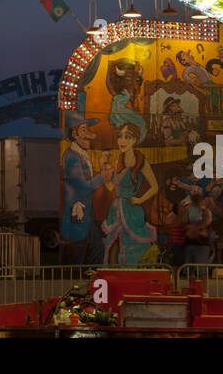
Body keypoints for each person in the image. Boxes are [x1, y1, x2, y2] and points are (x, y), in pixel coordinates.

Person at [100, 117, 159, 265]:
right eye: (120, 136)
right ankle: (114, 275)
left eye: (127, 137)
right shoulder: (118, 161)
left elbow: (155, 187)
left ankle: (132, 274)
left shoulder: (140, 161)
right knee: (113, 244)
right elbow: (111, 187)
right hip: (116, 210)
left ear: (135, 140)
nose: (122, 140)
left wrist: (139, 199)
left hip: (131, 210)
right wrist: (105, 173)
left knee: (132, 245)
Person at [60, 110, 113, 265]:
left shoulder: (81, 155)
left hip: (86, 215)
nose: (89, 134)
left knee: (97, 250)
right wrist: (103, 177)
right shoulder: (72, 158)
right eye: (83, 130)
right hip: (78, 216)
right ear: (74, 135)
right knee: (77, 255)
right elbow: (83, 187)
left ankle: (90, 280)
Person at [180, 188, 214, 277]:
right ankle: (193, 290)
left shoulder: (205, 211)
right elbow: (183, 222)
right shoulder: (188, 210)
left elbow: (207, 222)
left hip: (201, 243)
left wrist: (193, 228)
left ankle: (204, 291)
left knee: (202, 271)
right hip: (190, 242)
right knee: (189, 271)